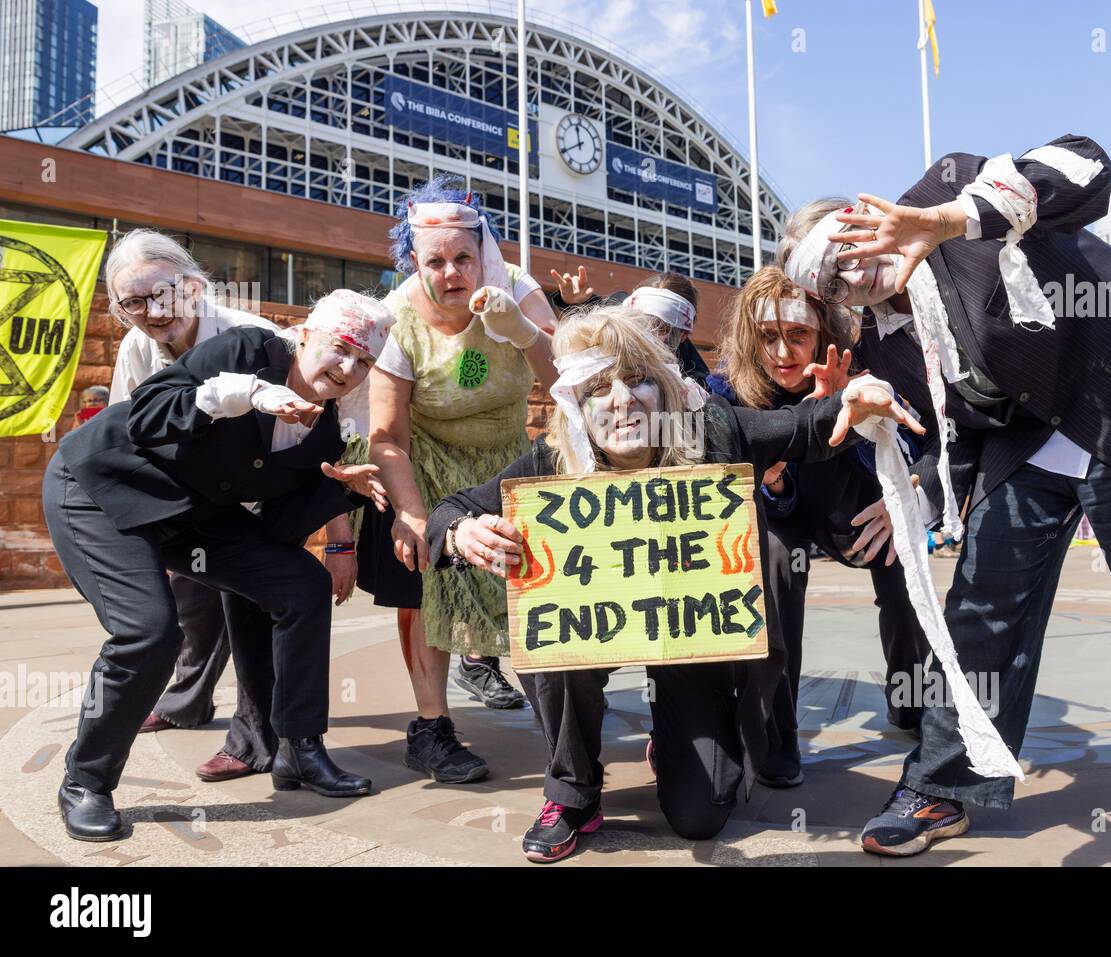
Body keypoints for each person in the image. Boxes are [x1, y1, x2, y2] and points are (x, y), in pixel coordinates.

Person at [789, 134, 1111, 859]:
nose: (848, 276)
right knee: (980, 612)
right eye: (827, 279)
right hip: (1031, 440)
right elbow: (941, 435)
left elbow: (1086, 163)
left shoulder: (951, 190)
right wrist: (895, 451)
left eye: (849, 249)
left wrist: (951, 219)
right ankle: (941, 785)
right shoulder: (879, 344)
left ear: (871, 215)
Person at [423, 303, 924, 862]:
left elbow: (803, 426)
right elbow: (451, 509)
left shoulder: (715, 429)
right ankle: (573, 793)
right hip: (589, 635)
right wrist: (463, 532)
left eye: (637, 382)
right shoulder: (553, 456)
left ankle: (674, 745)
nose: (621, 402)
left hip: (689, 640)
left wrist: (851, 403)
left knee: (701, 816)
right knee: (552, 650)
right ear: (575, 403)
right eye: (598, 389)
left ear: (662, 390)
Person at [44, 289, 392, 841]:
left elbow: (276, 533)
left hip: (193, 520)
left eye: (365, 360)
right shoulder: (247, 350)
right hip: (101, 490)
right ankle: (86, 780)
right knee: (149, 634)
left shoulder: (325, 430)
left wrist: (340, 493)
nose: (349, 368)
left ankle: (298, 747)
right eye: (341, 347)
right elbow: (148, 414)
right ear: (306, 335)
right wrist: (246, 396)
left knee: (300, 582)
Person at [99, 230, 318, 787]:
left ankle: (256, 740)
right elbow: (130, 429)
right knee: (189, 600)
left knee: (250, 608)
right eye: (134, 303)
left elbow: (315, 439)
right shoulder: (137, 347)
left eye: (164, 293)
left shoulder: (260, 341)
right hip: (190, 492)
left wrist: (337, 536)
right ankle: (187, 701)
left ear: (194, 288)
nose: (153, 311)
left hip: (263, 492)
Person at [363, 179, 559, 784]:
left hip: (506, 458)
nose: (452, 272)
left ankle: (565, 722)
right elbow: (387, 435)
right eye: (435, 261)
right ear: (413, 264)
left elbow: (571, 385)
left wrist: (524, 333)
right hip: (425, 461)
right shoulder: (396, 320)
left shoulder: (517, 289)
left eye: (463, 258)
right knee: (428, 586)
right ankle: (431, 728)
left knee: (534, 583)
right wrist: (413, 514)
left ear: (484, 253)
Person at [709, 265, 929, 788]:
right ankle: (777, 737)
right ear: (747, 337)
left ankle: (912, 701)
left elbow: (917, 439)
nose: (784, 353)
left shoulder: (862, 369)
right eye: (768, 337)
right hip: (777, 519)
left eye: (798, 335)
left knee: (898, 565)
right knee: (777, 569)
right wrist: (774, 485)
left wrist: (899, 487)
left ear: (821, 332)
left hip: (849, 509)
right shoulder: (723, 391)